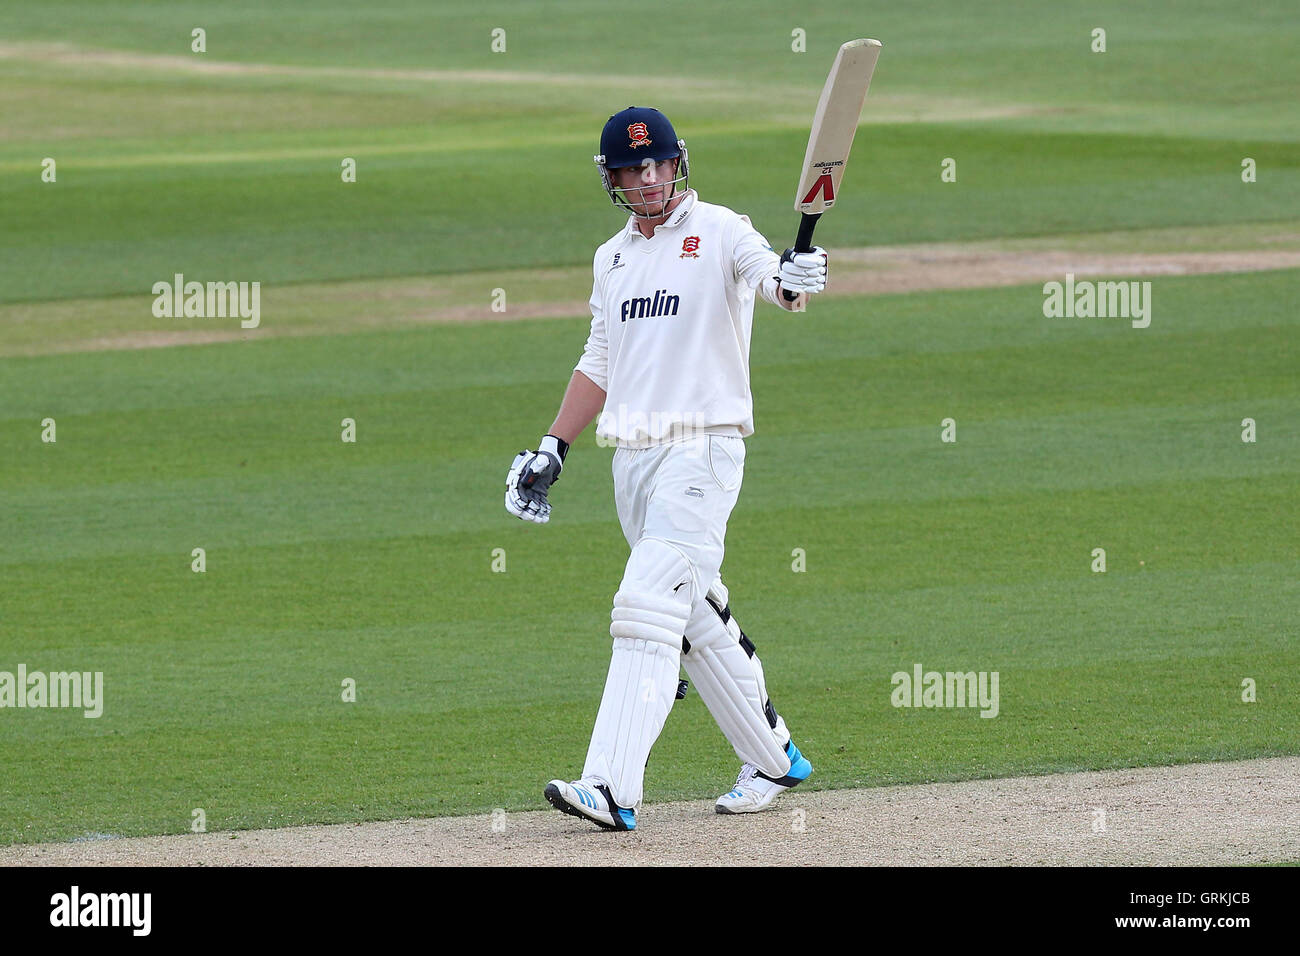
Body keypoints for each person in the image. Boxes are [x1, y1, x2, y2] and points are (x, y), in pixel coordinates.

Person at [504, 107, 826, 831]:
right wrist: (552, 446)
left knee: (645, 606)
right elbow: (601, 359)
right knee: (694, 620)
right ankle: (776, 756)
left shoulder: (721, 228)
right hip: (634, 463)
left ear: (677, 163)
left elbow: (773, 281)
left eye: (658, 164)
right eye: (632, 168)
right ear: (612, 177)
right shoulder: (611, 257)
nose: (648, 179)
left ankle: (612, 787)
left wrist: (793, 277)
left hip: (701, 450)